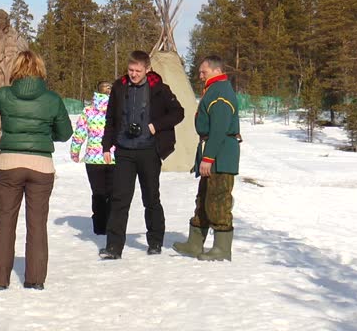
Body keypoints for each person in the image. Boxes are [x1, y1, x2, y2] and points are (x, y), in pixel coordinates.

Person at [0, 50, 72, 291]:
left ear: (15, 70)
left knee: (5, 222)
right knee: (37, 224)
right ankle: (35, 280)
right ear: (40, 70)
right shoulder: (52, 99)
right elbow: (65, 133)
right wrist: (43, 133)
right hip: (41, 167)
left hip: (9, 164)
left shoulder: (5, 95)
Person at [99, 50, 184, 259]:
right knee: (119, 199)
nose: (134, 74)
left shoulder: (159, 88)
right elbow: (110, 118)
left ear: (147, 69)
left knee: (151, 197)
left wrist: (157, 125)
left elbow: (178, 112)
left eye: (138, 70)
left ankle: (155, 241)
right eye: (131, 70)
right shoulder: (119, 87)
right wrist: (106, 146)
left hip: (149, 150)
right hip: (124, 150)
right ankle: (113, 246)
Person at [173, 55, 240, 261]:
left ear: (216, 70)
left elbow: (219, 128)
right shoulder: (214, 89)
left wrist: (209, 157)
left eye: (204, 71)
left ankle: (222, 247)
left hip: (221, 155)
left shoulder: (221, 92)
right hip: (213, 151)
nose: (200, 76)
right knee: (204, 197)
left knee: (219, 199)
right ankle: (195, 243)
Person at [70, 81, 116, 235]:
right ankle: (111, 223)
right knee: (112, 192)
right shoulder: (118, 108)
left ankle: (99, 226)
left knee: (98, 192)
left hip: (93, 159)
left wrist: (75, 152)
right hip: (113, 157)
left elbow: (80, 133)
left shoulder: (88, 111)